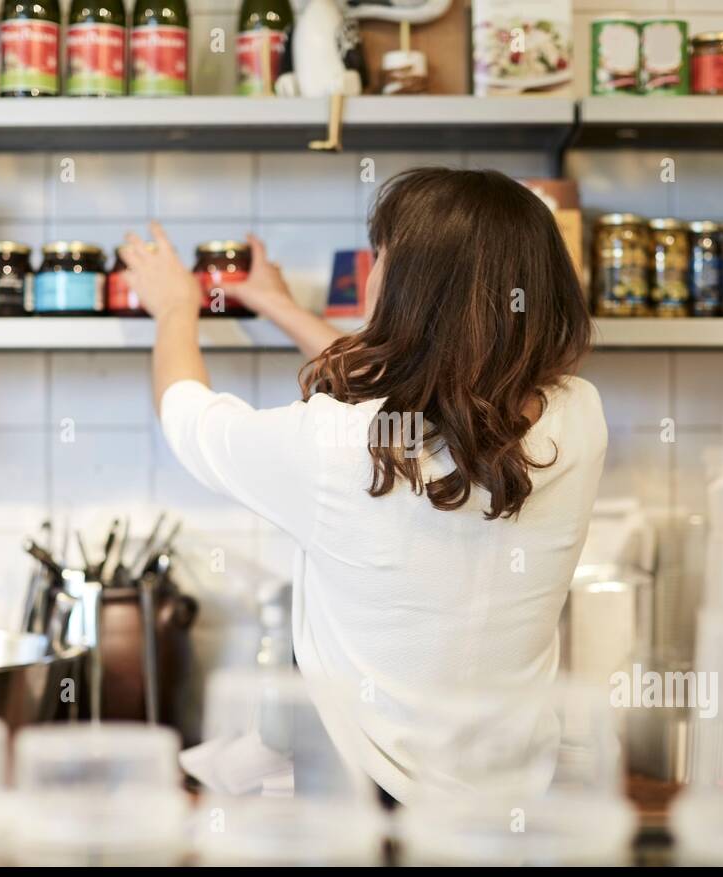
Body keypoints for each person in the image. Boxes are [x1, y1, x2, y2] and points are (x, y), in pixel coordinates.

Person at [120, 167, 606, 803]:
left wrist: (176, 309)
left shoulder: (333, 445)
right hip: (512, 796)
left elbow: (189, 416)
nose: (373, 273)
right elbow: (437, 389)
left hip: (367, 805)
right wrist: (282, 308)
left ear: (407, 288)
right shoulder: (580, 418)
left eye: (382, 257)